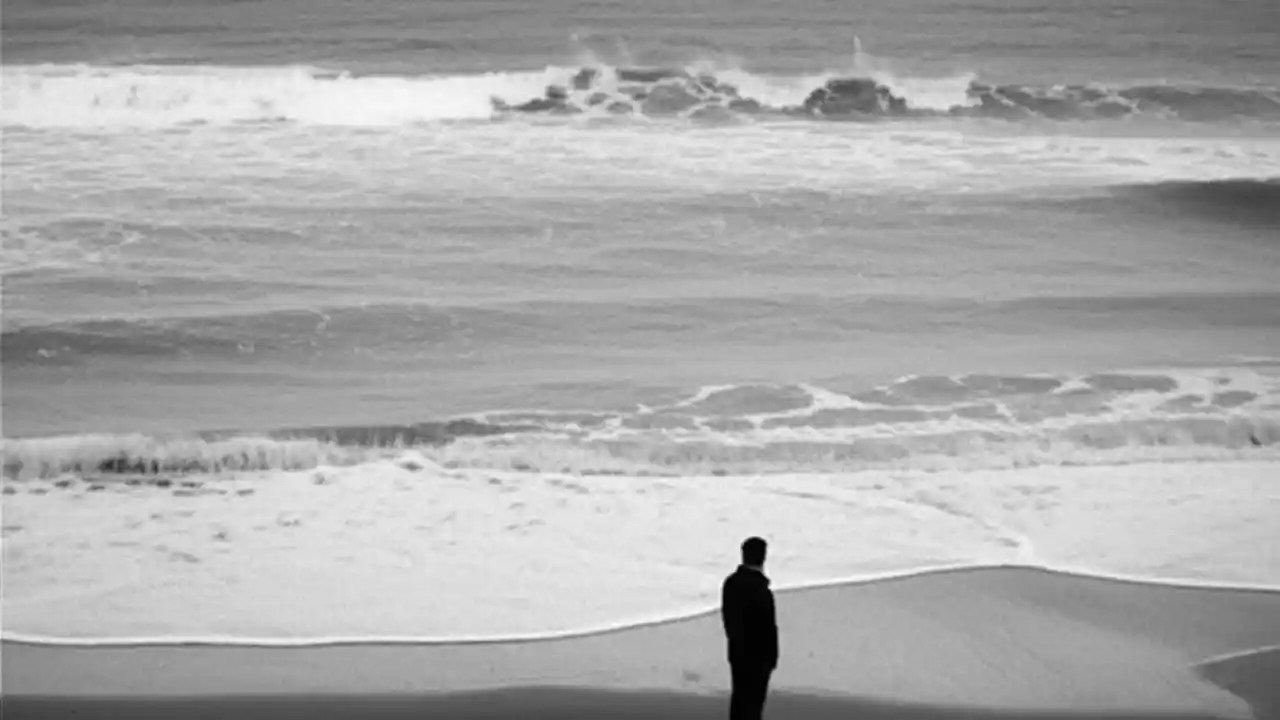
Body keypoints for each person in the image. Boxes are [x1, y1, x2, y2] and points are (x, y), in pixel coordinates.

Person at [721, 536, 778, 720]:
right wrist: (772, 657)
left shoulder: (731, 583)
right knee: (753, 705)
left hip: (737, 652)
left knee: (739, 702)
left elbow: (729, 620)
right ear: (764, 557)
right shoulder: (761, 589)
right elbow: (769, 628)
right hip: (759, 657)